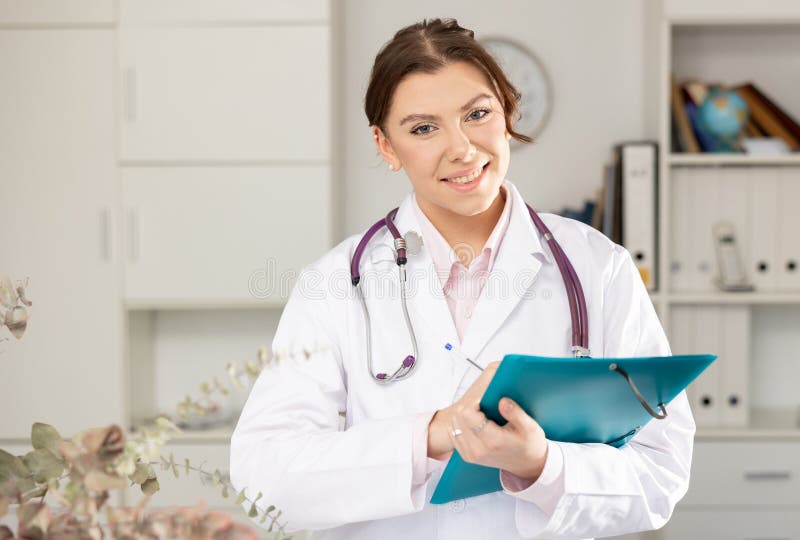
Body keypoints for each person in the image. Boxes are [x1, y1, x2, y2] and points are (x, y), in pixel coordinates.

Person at [230, 18, 694, 540]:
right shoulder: (337, 282)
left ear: (507, 112)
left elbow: (661, 473)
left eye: (477, 114)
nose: (463, 149)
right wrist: (432, 435)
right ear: (386, 146)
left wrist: (543, 466)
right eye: (423, 129)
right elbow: (264, 480)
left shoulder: (597, 267)